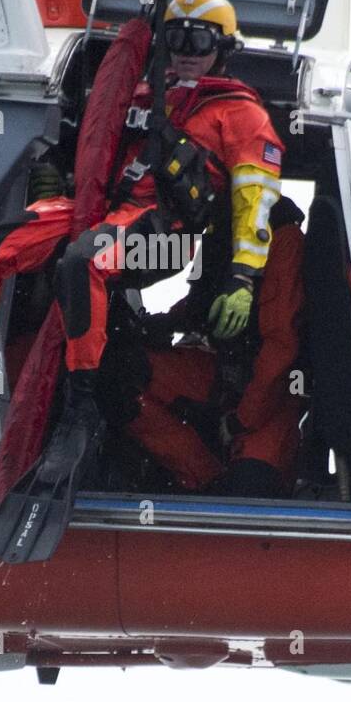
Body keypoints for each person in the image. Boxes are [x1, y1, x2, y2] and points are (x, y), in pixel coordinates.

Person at [0, 0, 284, 498]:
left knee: (81, 262)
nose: (185, 49)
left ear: (223, 47)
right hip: (100, 210)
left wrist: (242, 277)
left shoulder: (240, 113)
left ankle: (80, 410)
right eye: (174, 36)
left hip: (166, 235)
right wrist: (58, 182)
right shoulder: (137, 94)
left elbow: (254, 202)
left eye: (199, 37)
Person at [121, 195, 306, 498]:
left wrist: (241, 420)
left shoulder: (282, 238)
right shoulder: (218, 229)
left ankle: (218, 485)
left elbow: (281, 347)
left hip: (271, 394)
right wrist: (161, 324)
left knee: (249, 495)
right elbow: (201, 302)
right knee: (123, 372)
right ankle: (204, 479)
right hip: (220, 371)